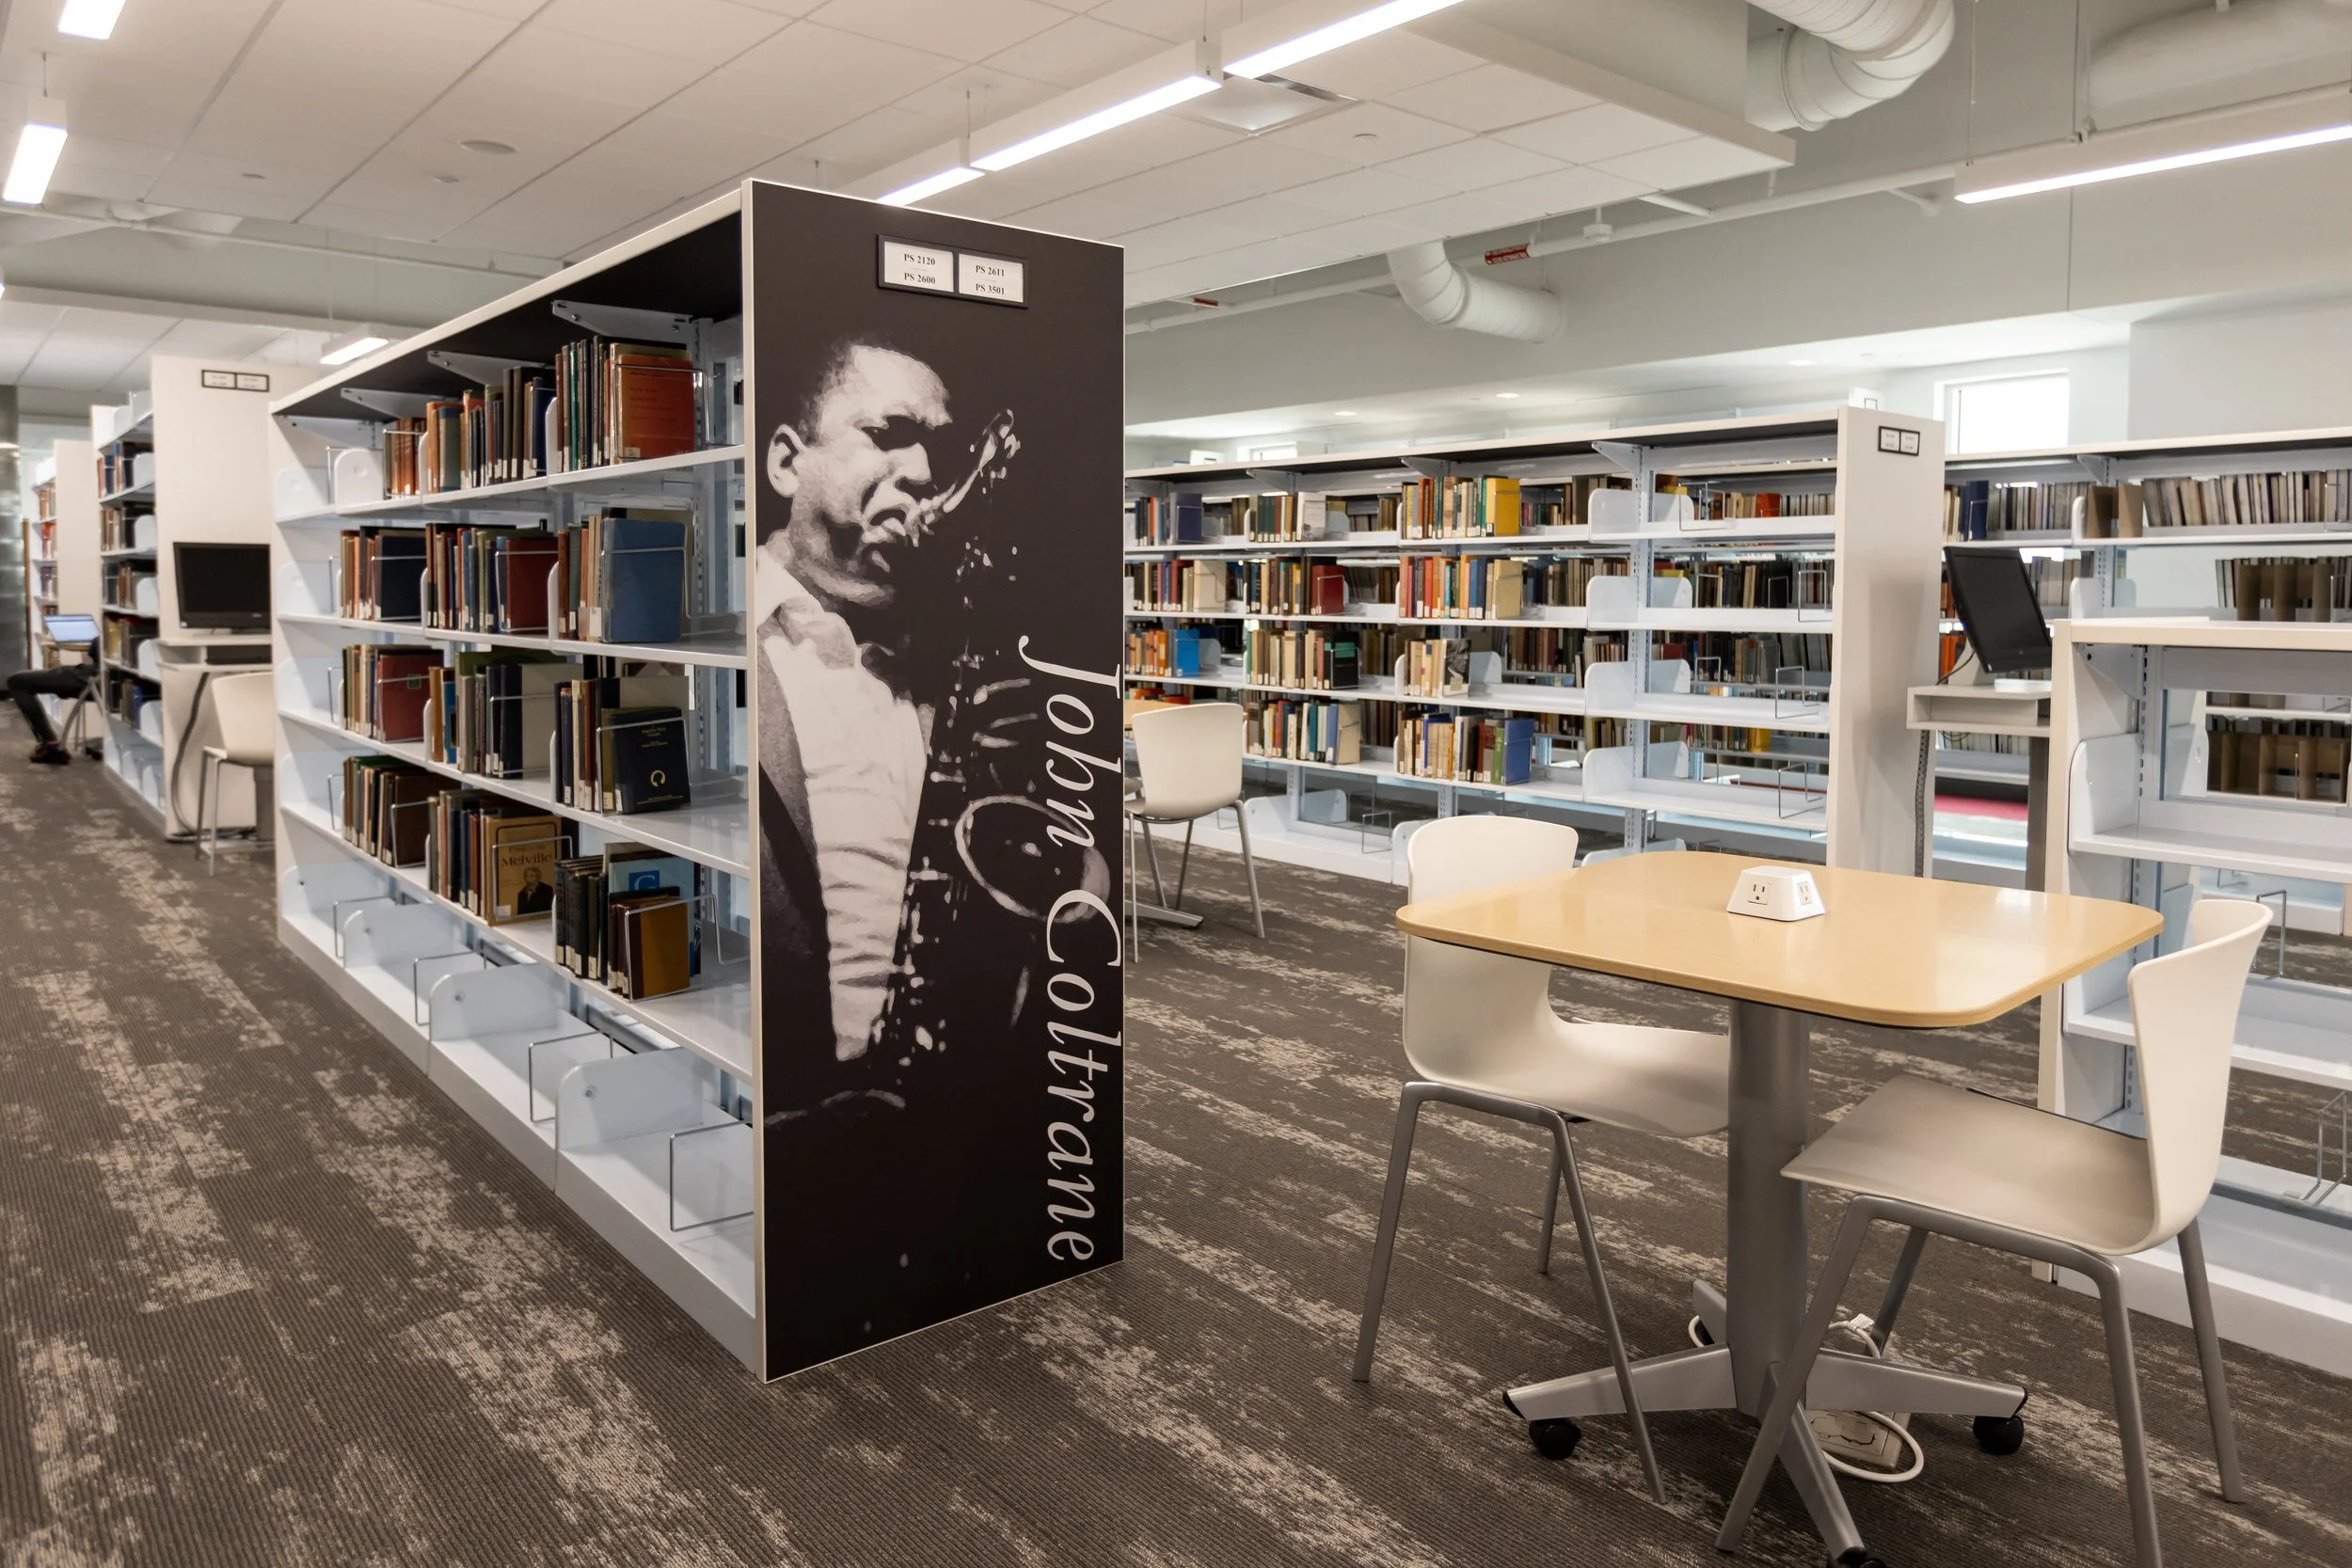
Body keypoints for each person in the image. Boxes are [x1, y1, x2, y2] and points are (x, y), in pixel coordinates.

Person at [8, 637, 99, 765]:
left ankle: (50, 745)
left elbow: (95, 650)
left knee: (17, 681)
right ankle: (50, 744)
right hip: (101, 680)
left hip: (90, 678)